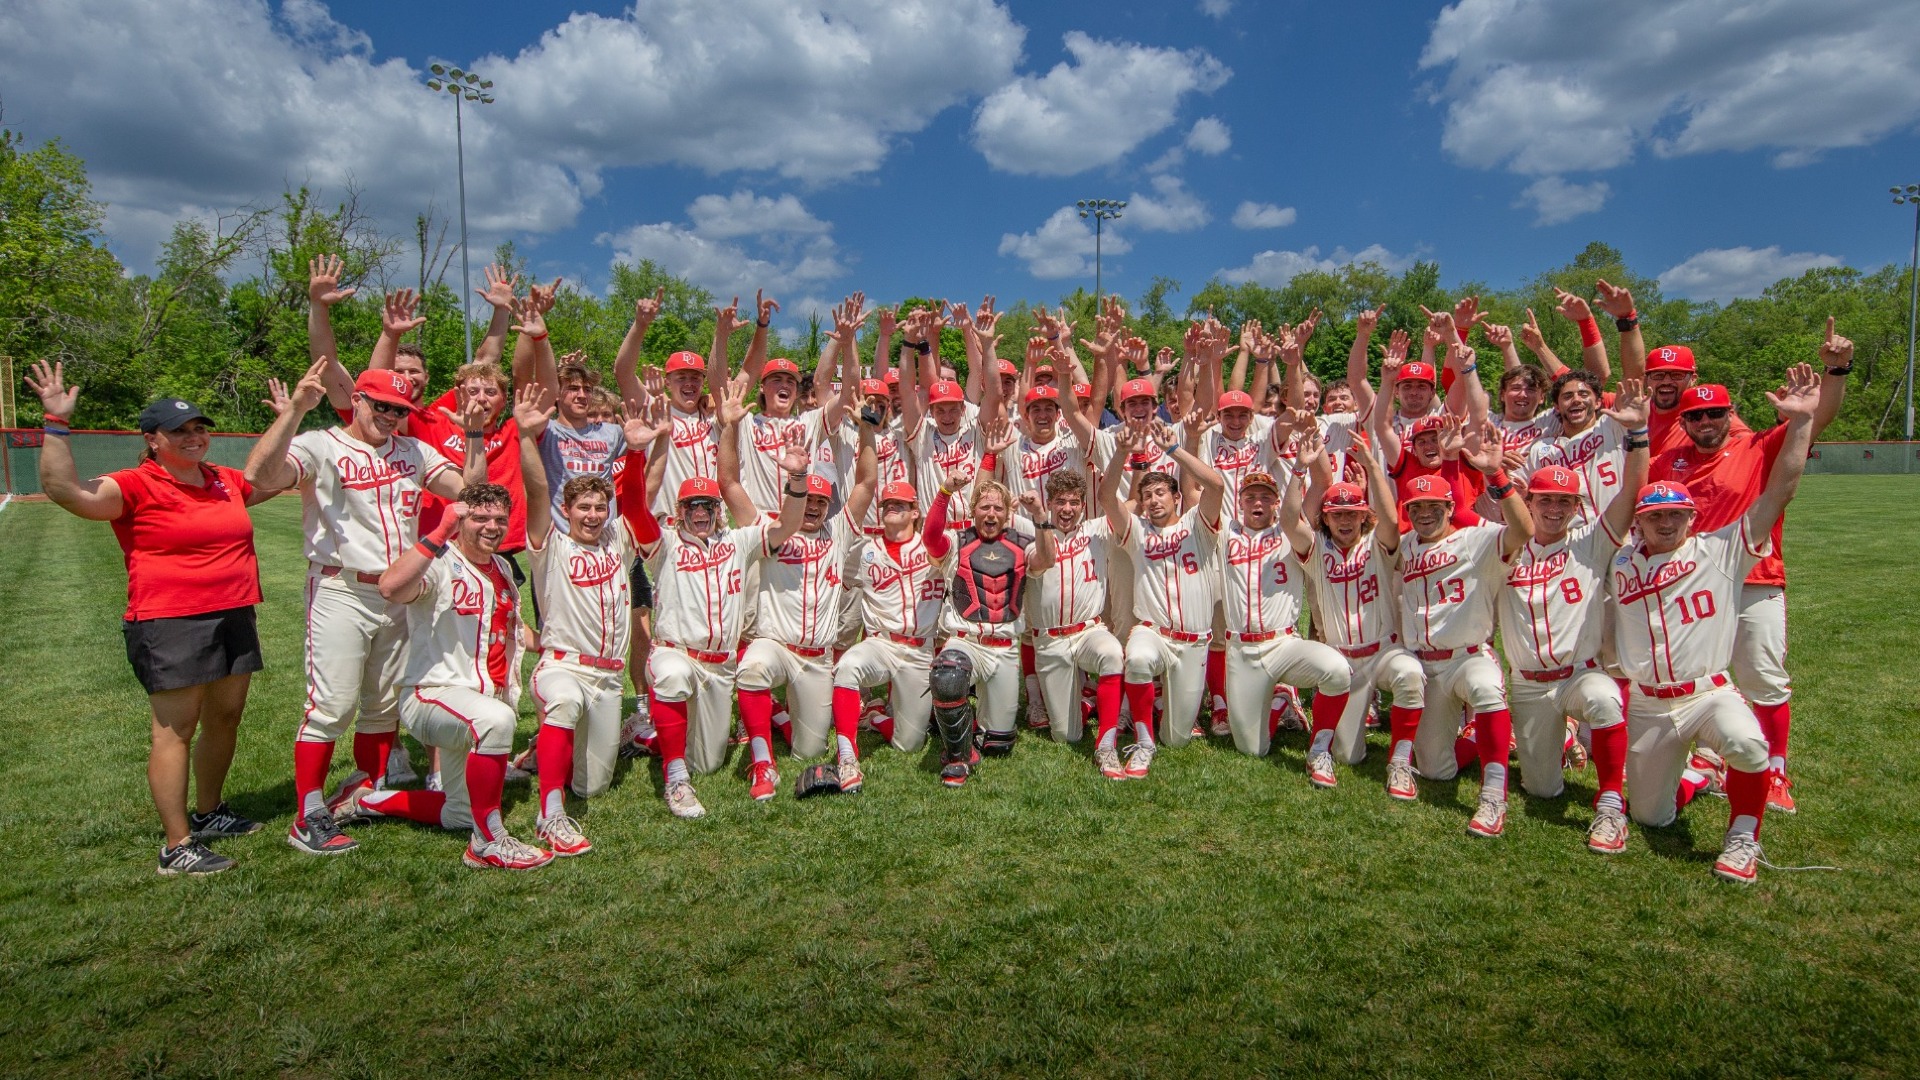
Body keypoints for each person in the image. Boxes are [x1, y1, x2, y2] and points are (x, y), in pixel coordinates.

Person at [26, 363, 271, 875]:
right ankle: (176, 845)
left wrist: (291, 413)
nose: (193, 437)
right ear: (153, 440)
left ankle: (210, 813)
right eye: (179, 431)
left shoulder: (224, 481)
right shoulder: (132, 485)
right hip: (169, 621)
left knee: (225, 718)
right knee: (175, 730)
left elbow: (267, 476)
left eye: (199, 428)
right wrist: (55, 423)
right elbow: (67, 493)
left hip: (234, 610)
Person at [244, 360, 487, 856]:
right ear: (356, 400)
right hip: (342, 587)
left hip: (398, 590)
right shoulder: (321, 443)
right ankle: (307, 813)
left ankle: (364, 792)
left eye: (399, 410)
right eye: (382, 406)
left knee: (381, 705)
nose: (391, 416)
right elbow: (260, 474)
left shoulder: (413, 450)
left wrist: (477, 436)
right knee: (331, 705)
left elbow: (469, 491)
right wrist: (294, 411)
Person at [1612, 364, 1822, 884]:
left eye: (1676, 515)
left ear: (1692, 517)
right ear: (1638, 522)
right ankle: (1692, 779)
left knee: (1749, 745)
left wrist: (1799, 424)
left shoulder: (1722, 549)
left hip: (1709, 693)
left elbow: (1780, 492)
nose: (1666, 522)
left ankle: (1743, 836)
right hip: (1649, 703)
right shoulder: (1621, 561)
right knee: (1649, 817)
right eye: (1655, 516)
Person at [1648, 324, 1852, 813]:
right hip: (1692, 585)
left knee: (1762, 677)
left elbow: (1817, 417)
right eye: (1695, 415)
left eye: (1715, 412)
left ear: (1729, 413)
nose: (1705, 422)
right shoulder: (1667, 459)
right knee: (1698, 676)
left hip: (1755, 580)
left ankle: (1776, 771)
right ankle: (1710, 757)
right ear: (1686, 420)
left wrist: (1836, 370)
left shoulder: (1758, 448)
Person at [341, 486, 551, 870]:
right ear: (460, 520)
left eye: (500, 519)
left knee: (457, 813)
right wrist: (439, 533)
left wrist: (556, 644)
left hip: (475, 699)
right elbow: (390, 586)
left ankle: (364, 799)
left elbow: (511, 628)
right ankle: (488, 843)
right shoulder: (439, 563)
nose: (492, 526)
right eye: (480, 518)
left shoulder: (502, 568)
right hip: (431, 694)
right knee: (496, 721)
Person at [1499, 381, 1650, 853]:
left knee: (1606, 699)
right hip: (1526, 683)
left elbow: (1631, 491)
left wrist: (1640, 433)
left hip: (1579, 675)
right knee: (1540, 789)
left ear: (1577, 506)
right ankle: (1561, 747)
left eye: (1564, 502)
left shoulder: (1590, 542)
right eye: (1545, 500)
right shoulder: (1502, 546)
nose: (1554, 508)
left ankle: (1609, 803)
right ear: (1529, 502)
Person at [512, 386, 664, 855]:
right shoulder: (550, 545)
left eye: (600, 507)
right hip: (564, 665)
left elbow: (640, 500)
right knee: (560, 701)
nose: (594, 514)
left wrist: (636, 451)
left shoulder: (617, 542)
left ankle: (559, 760)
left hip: (608, 678)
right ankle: (549, 815)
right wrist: (523, 436)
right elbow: (537, 490)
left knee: (593, 786)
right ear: (569, 511)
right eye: (584, 507)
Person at [718, 375, 877, 796]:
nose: (814, 509)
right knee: (752, 668)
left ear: (828, 507)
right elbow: (730, 485)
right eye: (808, 502)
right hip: (775, 644)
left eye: (821, 503)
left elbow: (865, 484)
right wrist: (730, 427)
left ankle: (780, 716)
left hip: (816, 658)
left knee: (808, 749)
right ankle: (762, 763)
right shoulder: (772, 529)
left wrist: (866, 431)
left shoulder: (838, 532)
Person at [1393, 422, 1534, 837]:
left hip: (1468, 657)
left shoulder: (1476, 540)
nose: (1425, 513)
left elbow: (1523, 531)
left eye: (1433, 506)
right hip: (1425, 666)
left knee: (1488, 689)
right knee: (1436, 770)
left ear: (1450, 507)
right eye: (1417, 507)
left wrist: (1496, 476)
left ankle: (1494, 794)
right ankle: (1475, 739)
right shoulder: (1406, 546)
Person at [1219, 441, 1354, 779]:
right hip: (1241, 649)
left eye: (1265, 496)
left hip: (1283, 644)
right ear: (1240, 502)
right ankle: (1280, 701)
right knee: (1252, 750)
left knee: (1337, 671)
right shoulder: (1226, 534)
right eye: (1250, 496)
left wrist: (1299, 468)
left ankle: (1319, 747)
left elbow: (1302, 506)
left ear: (1277, 503)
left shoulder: (1290, 534)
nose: (1257, 502)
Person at [1103, 418, 1229, 777]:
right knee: (1138, 658)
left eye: (1161, 493)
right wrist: (1121, 454)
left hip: (1193, 642)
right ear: (1140, 503)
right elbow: (1105, 498)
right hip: (1153, 631)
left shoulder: (1197, 525)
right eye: (1147, 495)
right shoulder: (1137, 532)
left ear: (1176, 497)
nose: (1153, 500)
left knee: (1177, 739)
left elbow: (1216, 485)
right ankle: (1143, 740)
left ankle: (1165, 722)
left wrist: (1174, 449)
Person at [1301, 440, 1426, 796]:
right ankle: (1324, 742)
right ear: (1325, 517)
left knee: (1410, 673)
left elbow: (1389, 520)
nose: (1344, 519)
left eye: (1352, 512)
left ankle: (1400, 762)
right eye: (1336, 513)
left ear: (1362, 515)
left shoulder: (1375, 544)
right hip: (1343, 659)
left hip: (1383, 650)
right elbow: (1291, 521)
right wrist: (1300, 470)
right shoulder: (1317, 552)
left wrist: (1373, 468)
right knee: (1347, 756)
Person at [924, 461, 1034, 787]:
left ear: (1007, 513)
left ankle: (972, 720)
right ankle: (959, 757)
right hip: (966, 639)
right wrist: (945, 491)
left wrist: (1040, 518)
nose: (990, 514)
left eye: (998, 508)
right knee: (947, 671)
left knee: (998, 745)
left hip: (1003, 646)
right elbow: (930, 537)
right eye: (984, 506)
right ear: (973, 510)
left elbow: (1047, 557)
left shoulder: (1023, 543)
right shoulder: (957, 542)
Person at [831, 480, 956, 765]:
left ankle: (875, 719)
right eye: (887, 504)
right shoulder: (864, 552)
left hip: (920, 651)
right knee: (848, 667)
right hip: (880, 643)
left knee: (909, 744)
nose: (892, 508)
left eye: (900, 504)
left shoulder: (931, 548)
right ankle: (847, 754)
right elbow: (837, 581)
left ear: (915, 512)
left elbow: (939, 545)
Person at [1024, 464, 1128, 773]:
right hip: (1050, 640)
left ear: (1083, 505)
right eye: (1060, 501)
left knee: (1112, 654)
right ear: (1050, 502)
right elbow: (1043, 560)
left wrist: (1123, 454)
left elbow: (1119, 500)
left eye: (1074, 502)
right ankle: (1085, 703)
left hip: (1088, 631)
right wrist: (1041, 519)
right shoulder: (1036, 537)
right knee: (1065, 735)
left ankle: (1107, 745)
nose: (1067, 509)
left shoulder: (1097, 530)